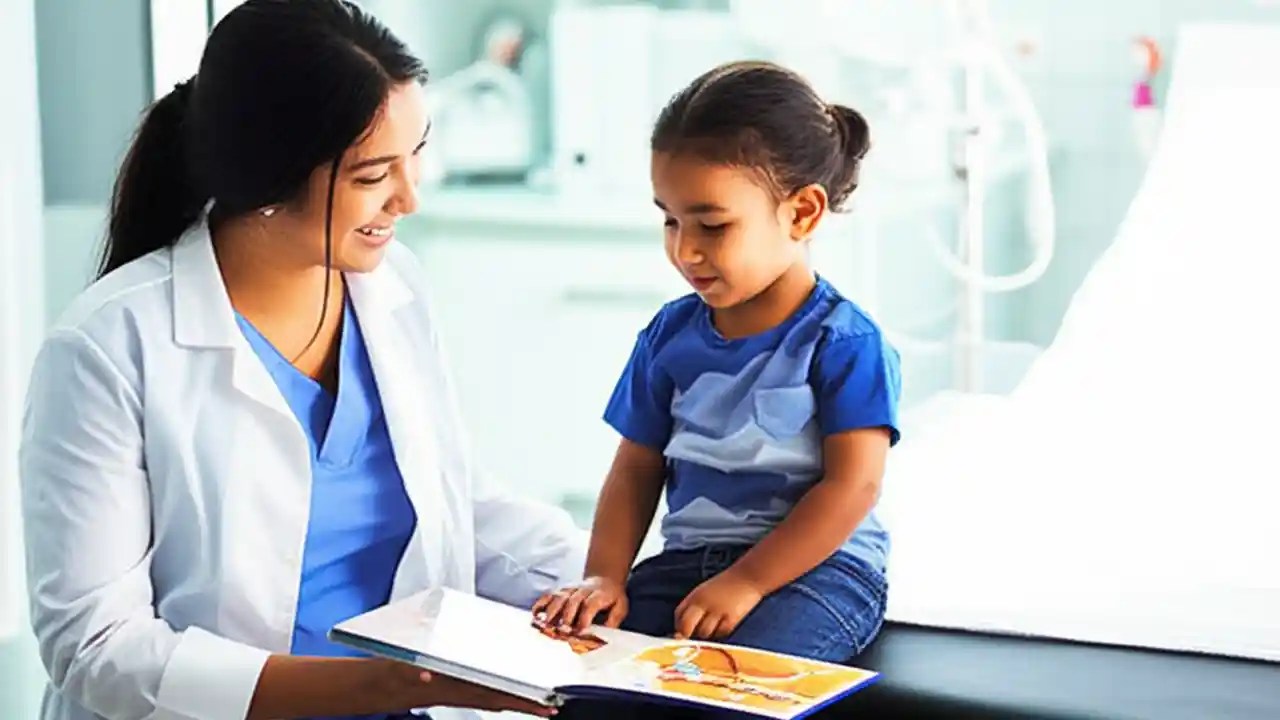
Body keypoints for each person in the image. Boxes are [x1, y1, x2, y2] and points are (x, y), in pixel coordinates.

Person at [18, 2, 584, 719]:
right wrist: (387, 684)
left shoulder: (393, 287)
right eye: (374, 173)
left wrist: (631, 580)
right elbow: (97, 650)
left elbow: (459, 509)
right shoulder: (106, 349)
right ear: (267, 178)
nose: (410, 196)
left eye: (416, 154)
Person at [534, 61, 901, 717]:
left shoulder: (844, 343)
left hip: (817, 574)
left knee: (722, 699)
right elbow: (635, 468)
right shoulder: (668, 337)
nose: (685, 250)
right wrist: (605, 577)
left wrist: (748, 582)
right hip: (686, 564)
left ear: (803, 212)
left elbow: (853, 487)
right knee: (584, 693)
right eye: (670, 221)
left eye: (712, 224)